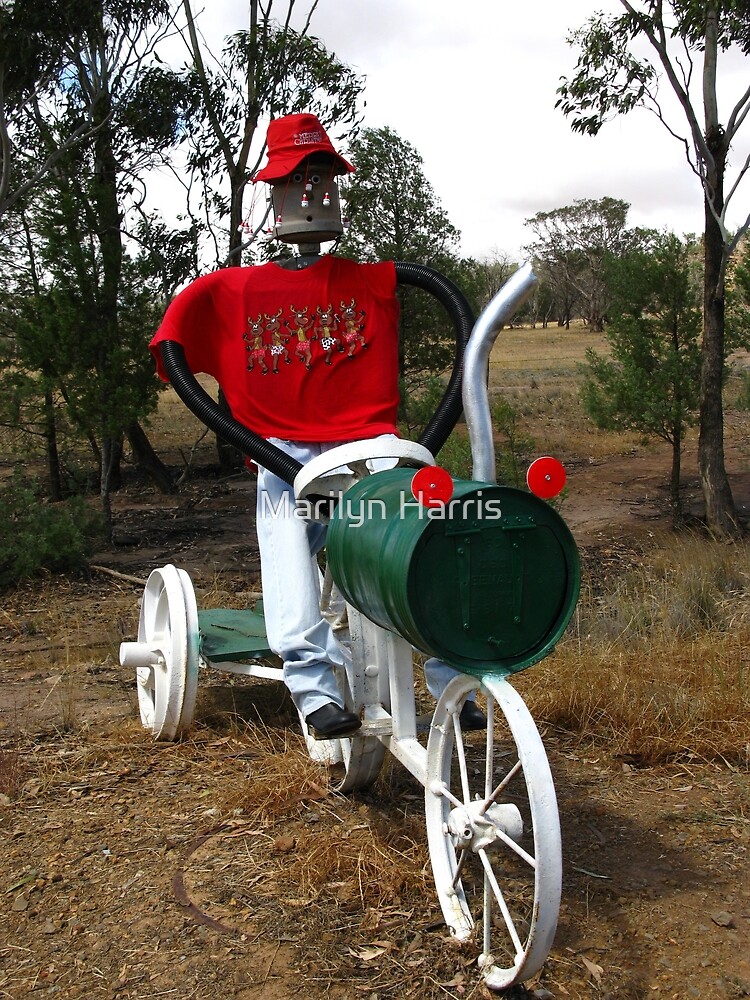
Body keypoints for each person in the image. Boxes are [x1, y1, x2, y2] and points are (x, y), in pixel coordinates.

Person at [150, 113, 486, 739]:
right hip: (284, 451)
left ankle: (450, 674)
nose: (311, 193)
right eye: (297, 182)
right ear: (277, 195)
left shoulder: (373, 280)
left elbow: (452, 303)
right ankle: (311, 683)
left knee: (423, 533)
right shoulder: (237, 290)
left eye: (321, 179)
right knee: (285, 539)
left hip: (373, 445)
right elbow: (174, 335)